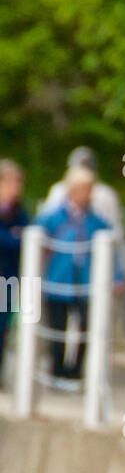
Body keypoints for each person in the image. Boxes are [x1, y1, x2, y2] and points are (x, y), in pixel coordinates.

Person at [37, 164, 122, 384]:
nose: (88, 194)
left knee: (86, 327)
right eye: (84, 188)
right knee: (58, 328)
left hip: (86, 284)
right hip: (58, 281)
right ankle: (57, 370)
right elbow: (37, 243)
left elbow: (114, 251)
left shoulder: (97, 222)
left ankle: (76, 372)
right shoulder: (53, 218)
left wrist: (118, 277)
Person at [43, 146, 125, 243]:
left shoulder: (106, 194)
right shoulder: (59, 190)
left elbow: (114, 230)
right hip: (62, 247)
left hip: (97, 248)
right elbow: (44, 226)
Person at [0, 159, 29, 377]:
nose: (16, 189)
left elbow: (29, 240)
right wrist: (12, 238)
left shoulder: (21, 213)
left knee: (3, 327)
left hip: (8, 280)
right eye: (12, 183)